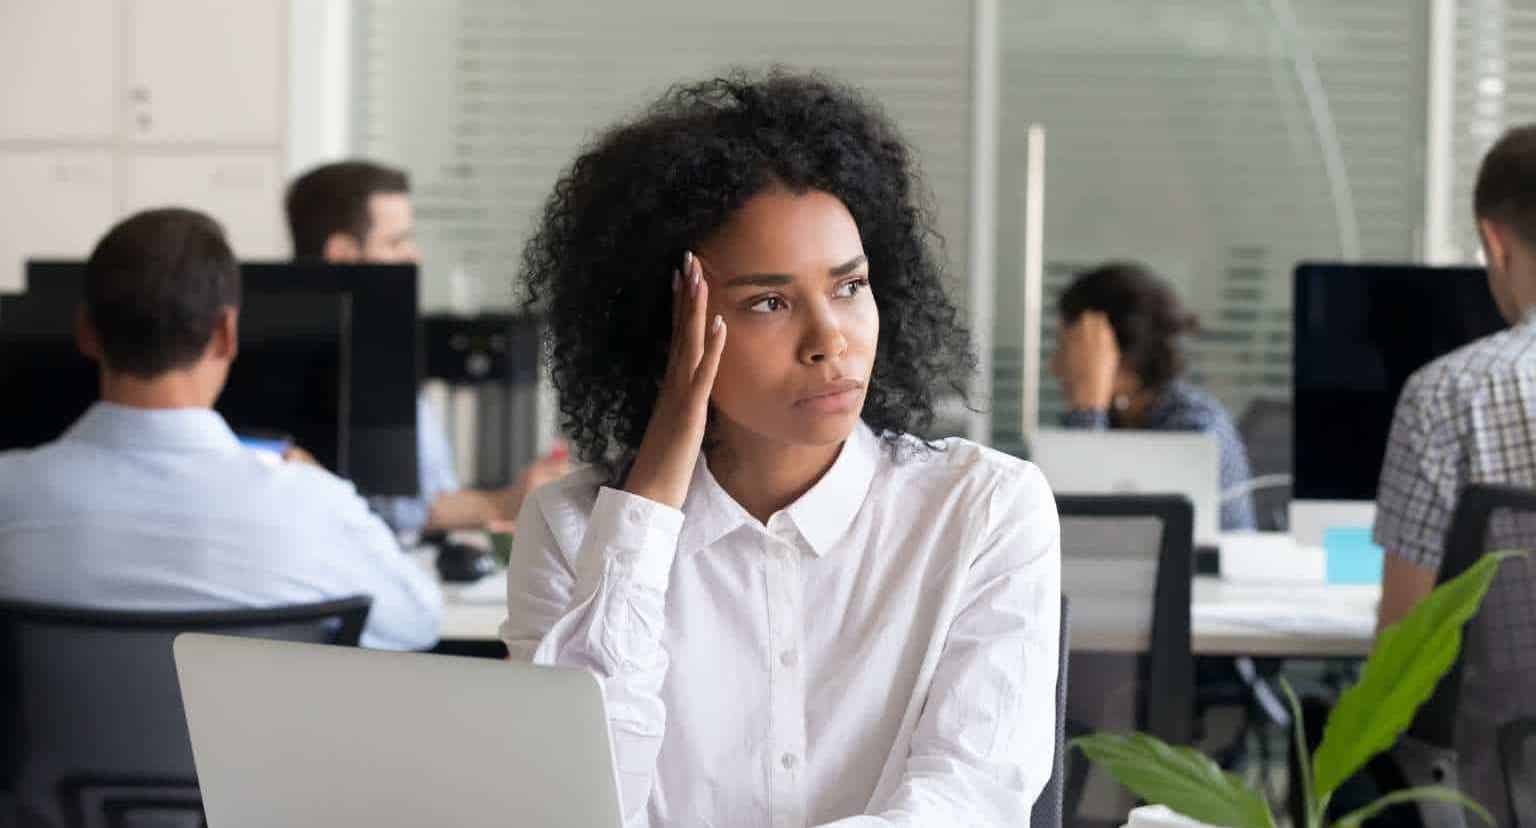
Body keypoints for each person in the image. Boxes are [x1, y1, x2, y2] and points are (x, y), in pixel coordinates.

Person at [499, 71, 1061, 826]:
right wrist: (648, 499)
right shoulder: (572, 533)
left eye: (850, 287)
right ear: (665, 329)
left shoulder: (983, 509)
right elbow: (576, 807)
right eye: (769, 302)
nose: (830, 339)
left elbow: (968, 799)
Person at [0, 208, 440, 651]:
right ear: (227, 333)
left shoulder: (8, 495)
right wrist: (324, 480)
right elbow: (419, 622)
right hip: (256, 724)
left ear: (85, 333)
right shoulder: (312, 506)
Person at [284, 160, 568, 534]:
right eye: (396, 241)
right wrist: (511, 500)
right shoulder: (338, 358)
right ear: (341, 254)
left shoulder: (378, 345)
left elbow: (428, 497)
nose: (414, 256)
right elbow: (404, 512)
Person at [1050, 262, 1257, 530]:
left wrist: (1088, 408)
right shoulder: (1114, 419)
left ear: (1113, 352)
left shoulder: (1196, 426)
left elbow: (1100, 529)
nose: (1054, 367)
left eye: (1067, 348)